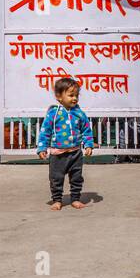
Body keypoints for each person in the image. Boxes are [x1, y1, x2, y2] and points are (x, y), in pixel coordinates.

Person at [36, 76, 94, 210]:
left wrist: (88, 145)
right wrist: (42, 148)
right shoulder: (53, 114)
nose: (74, 98)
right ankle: (57, 200)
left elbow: (86, 130)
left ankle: (75, 199)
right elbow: (45, 132)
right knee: (56, 178)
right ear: (59, 96)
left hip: (75, 153)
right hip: (58, 155)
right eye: (71, 95)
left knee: (76, 178)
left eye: (76, 95)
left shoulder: (80, 114)